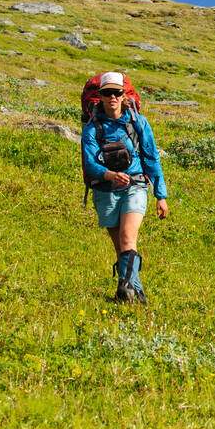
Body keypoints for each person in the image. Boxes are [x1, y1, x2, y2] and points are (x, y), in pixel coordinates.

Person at [81, 71, 169, 304]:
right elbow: (89, 162)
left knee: (128, 238)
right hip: (104, 190)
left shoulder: (138, 122)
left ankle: (125, 287)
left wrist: (160, 195)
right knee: (121, 248)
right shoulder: (91, 128)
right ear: (100, 96)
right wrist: (108, 174)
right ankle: (136, 296)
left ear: (123, 96)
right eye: (107, 93)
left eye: (116, 92)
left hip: (135, 186)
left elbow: (151, 157)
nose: (112, 97)